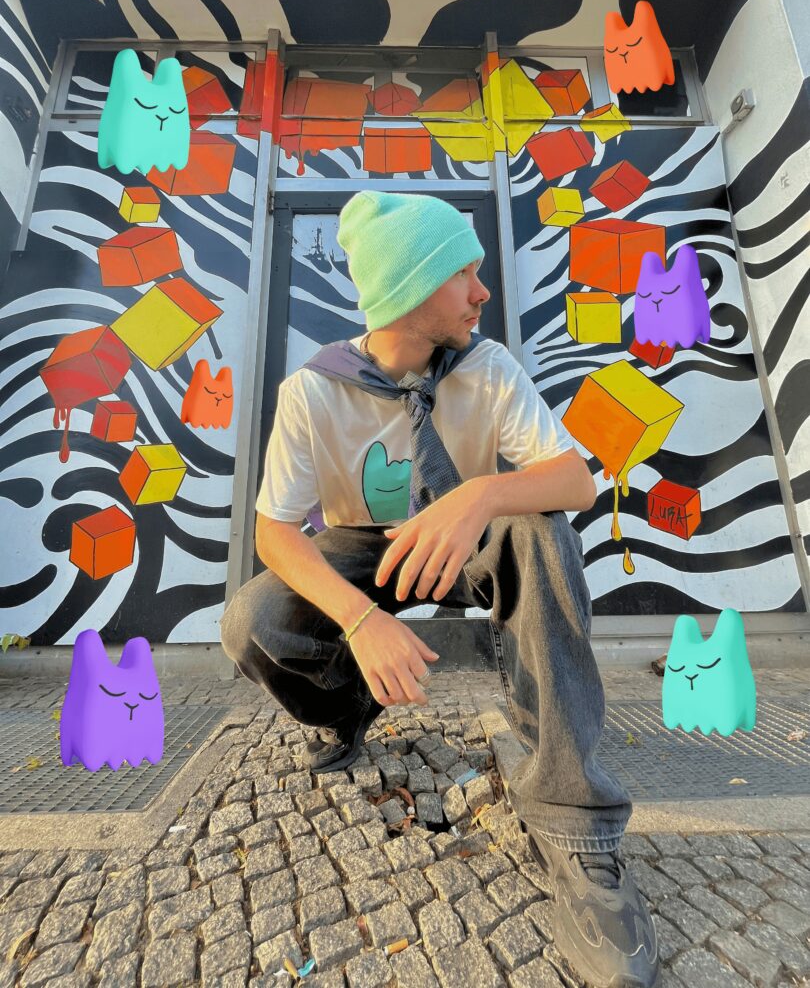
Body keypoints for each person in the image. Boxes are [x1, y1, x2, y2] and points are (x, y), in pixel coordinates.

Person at [220, 191, 659, 987]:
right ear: (410, 288)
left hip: (471, 539)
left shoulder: (488, 367)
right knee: (252, 619)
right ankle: (346, 709)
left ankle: (576, 824)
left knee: (542, 528)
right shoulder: (314, 391)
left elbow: (577, 480)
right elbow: (274, 533)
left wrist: (479, 496)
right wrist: (360, 620)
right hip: (367, 547)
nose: (482, 292)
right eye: (464, 273)